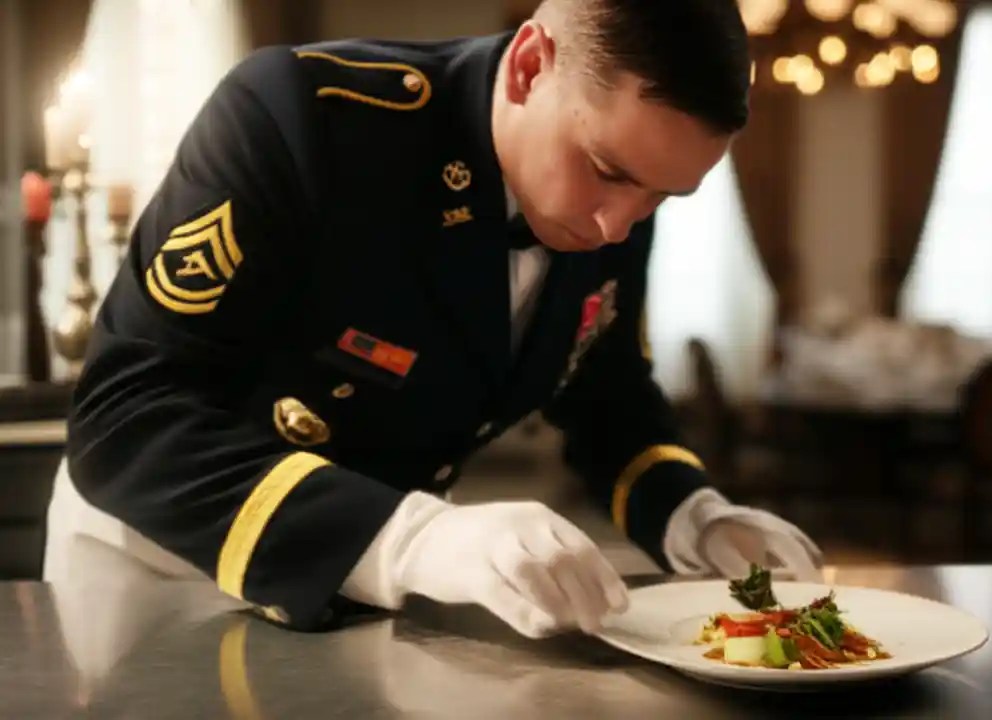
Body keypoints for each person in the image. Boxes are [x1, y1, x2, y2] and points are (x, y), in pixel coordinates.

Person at [44, 0, 823, 639]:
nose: (619, 226)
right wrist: (412, 537)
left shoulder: (617, 198)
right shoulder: (303, 115)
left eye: (661, 196)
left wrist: (695, 514)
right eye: (609, 172)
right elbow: (126, 421)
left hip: (371, 578)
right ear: (527, 68)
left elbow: (606, 390)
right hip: (160, 567)